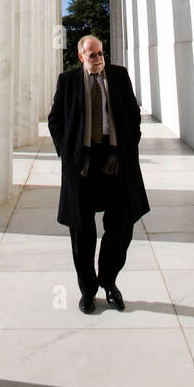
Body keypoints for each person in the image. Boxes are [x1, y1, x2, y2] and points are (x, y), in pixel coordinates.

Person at [47, 34, 150, 314]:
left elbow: (133, 114)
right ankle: (88, 291)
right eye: (92, 55)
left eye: (101, 53)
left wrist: (130, 145)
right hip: (83, 162)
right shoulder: (67, 81)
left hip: (114, 160)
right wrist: (65, 152)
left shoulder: (118, 76)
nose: (99, 59)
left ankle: (109, 282)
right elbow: (55, 118)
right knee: (82, 229)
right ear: (81, 57)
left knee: (121, 225)